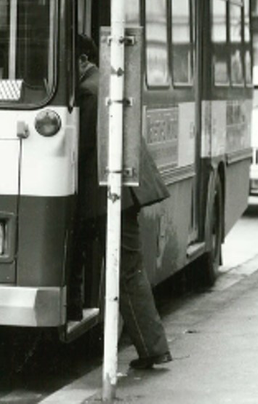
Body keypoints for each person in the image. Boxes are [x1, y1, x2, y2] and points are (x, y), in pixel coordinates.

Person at [72, 33, 172, 370]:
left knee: (127, 271)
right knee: (127, 268)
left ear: (82, 58)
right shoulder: (101, 80)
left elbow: (83, 147)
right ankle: (150, 346)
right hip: (119, 193)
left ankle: (153, 349)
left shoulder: (88, 89)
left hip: (110, 196)